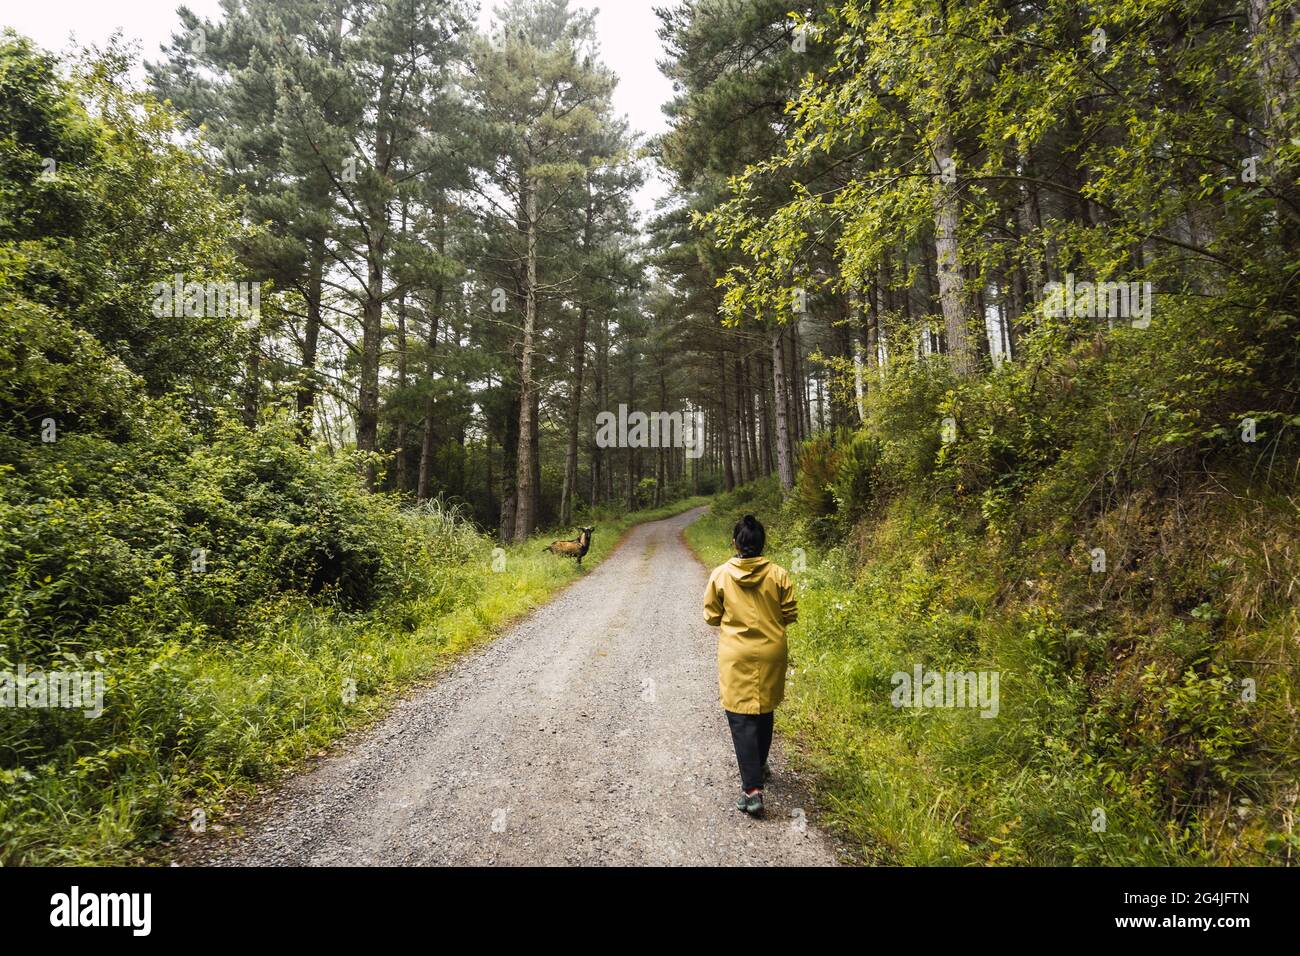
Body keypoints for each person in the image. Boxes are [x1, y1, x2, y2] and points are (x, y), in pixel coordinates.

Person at [702, 514, 797, 816]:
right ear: (762, 544)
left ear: (735, 543)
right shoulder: (779, 574)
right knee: (764, 708)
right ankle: (760, 765)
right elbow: (790, 613)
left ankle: (752, 790)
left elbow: (711, 615)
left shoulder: (720, 575)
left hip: (736, 654)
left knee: (741, 717)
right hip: (772, 651)